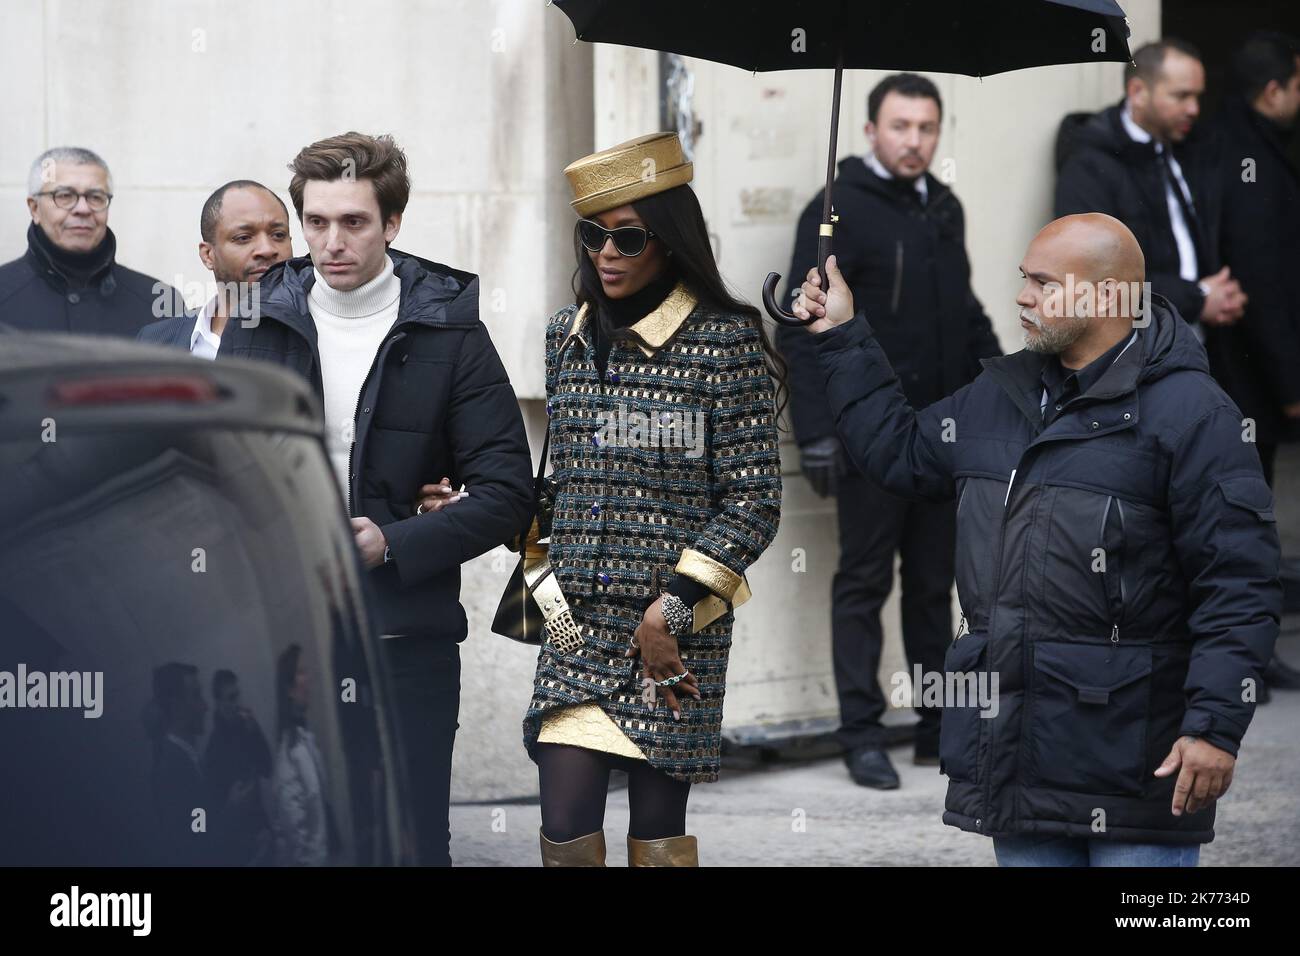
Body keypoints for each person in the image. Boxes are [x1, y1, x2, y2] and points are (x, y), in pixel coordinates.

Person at [793, 214, 1279, 866]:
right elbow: (899, 454)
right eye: (1025, 278)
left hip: (1136, 767)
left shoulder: (1194, 415)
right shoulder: (1001, 396)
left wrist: (1214, 728)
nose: (1023, 296)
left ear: (1107, 296)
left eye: (1045, 284)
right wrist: (843, 336)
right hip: (1016, 759)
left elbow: (1238, 585)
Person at [219, 132, 532, 866]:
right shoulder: (259, 317)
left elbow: (508, 492)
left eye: (354, 222)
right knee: (290, 840)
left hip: (404, 636)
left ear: (392, 223)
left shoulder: (450, 327)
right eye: (316, 222)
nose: (332, 242)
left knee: (411, 841)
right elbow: (220, 471)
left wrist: (393, 541)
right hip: (283, 636)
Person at [518, 132, 783, 867]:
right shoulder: (565, 337)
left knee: (657, 839)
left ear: (669, 241)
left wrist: (672, 610)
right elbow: (567, 480)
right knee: (565, 833)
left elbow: (754, 500)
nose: (607, 253)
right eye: (594, 235)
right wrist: (490, 508)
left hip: (672, 628)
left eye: (629, 237)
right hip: (575, 624)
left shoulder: (724, 342)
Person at [776, 73, 1003, 789]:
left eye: (926, 128)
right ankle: (862, 735)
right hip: (868, 434)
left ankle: (938, 729)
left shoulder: (944, 207)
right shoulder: (833, 211)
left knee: (935, 585)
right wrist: (817, 430)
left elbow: (966, 311)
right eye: (900, 126)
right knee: (864, 581)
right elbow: (803, 324)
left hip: (941, 434)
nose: (914, 141)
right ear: (871, 131)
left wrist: (1006, 391)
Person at [1207, 31, 1300, 693]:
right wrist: (1290, 383)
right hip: (1245, 379)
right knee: (1241, 524)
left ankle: (1251, 656)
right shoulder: (1249, 159)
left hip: (1247, 376)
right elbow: (1264, 282)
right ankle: (1243, 660)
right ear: (1273, 91)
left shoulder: (1247, 147)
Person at [1055, 39, 1245, 340]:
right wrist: (1197, 298)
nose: (1194, 109)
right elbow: (1093, 277)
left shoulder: (1190, 150)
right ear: (1137, 92)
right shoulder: (1089, 164)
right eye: (1181, 96)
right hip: (1134, 347)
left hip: (1196, 340)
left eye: (1197, 96)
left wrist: (1223, 293)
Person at [0, 147, 180, 336]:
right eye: (64, 195)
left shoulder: (160, 303)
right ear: (35, 208)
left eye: (95, 197)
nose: (83, 209)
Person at [138, 180, 294, 356]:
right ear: (208, 255)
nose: (266, 249)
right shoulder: (155, 342)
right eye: (243, 238)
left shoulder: (314, 334)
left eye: (278, 235)